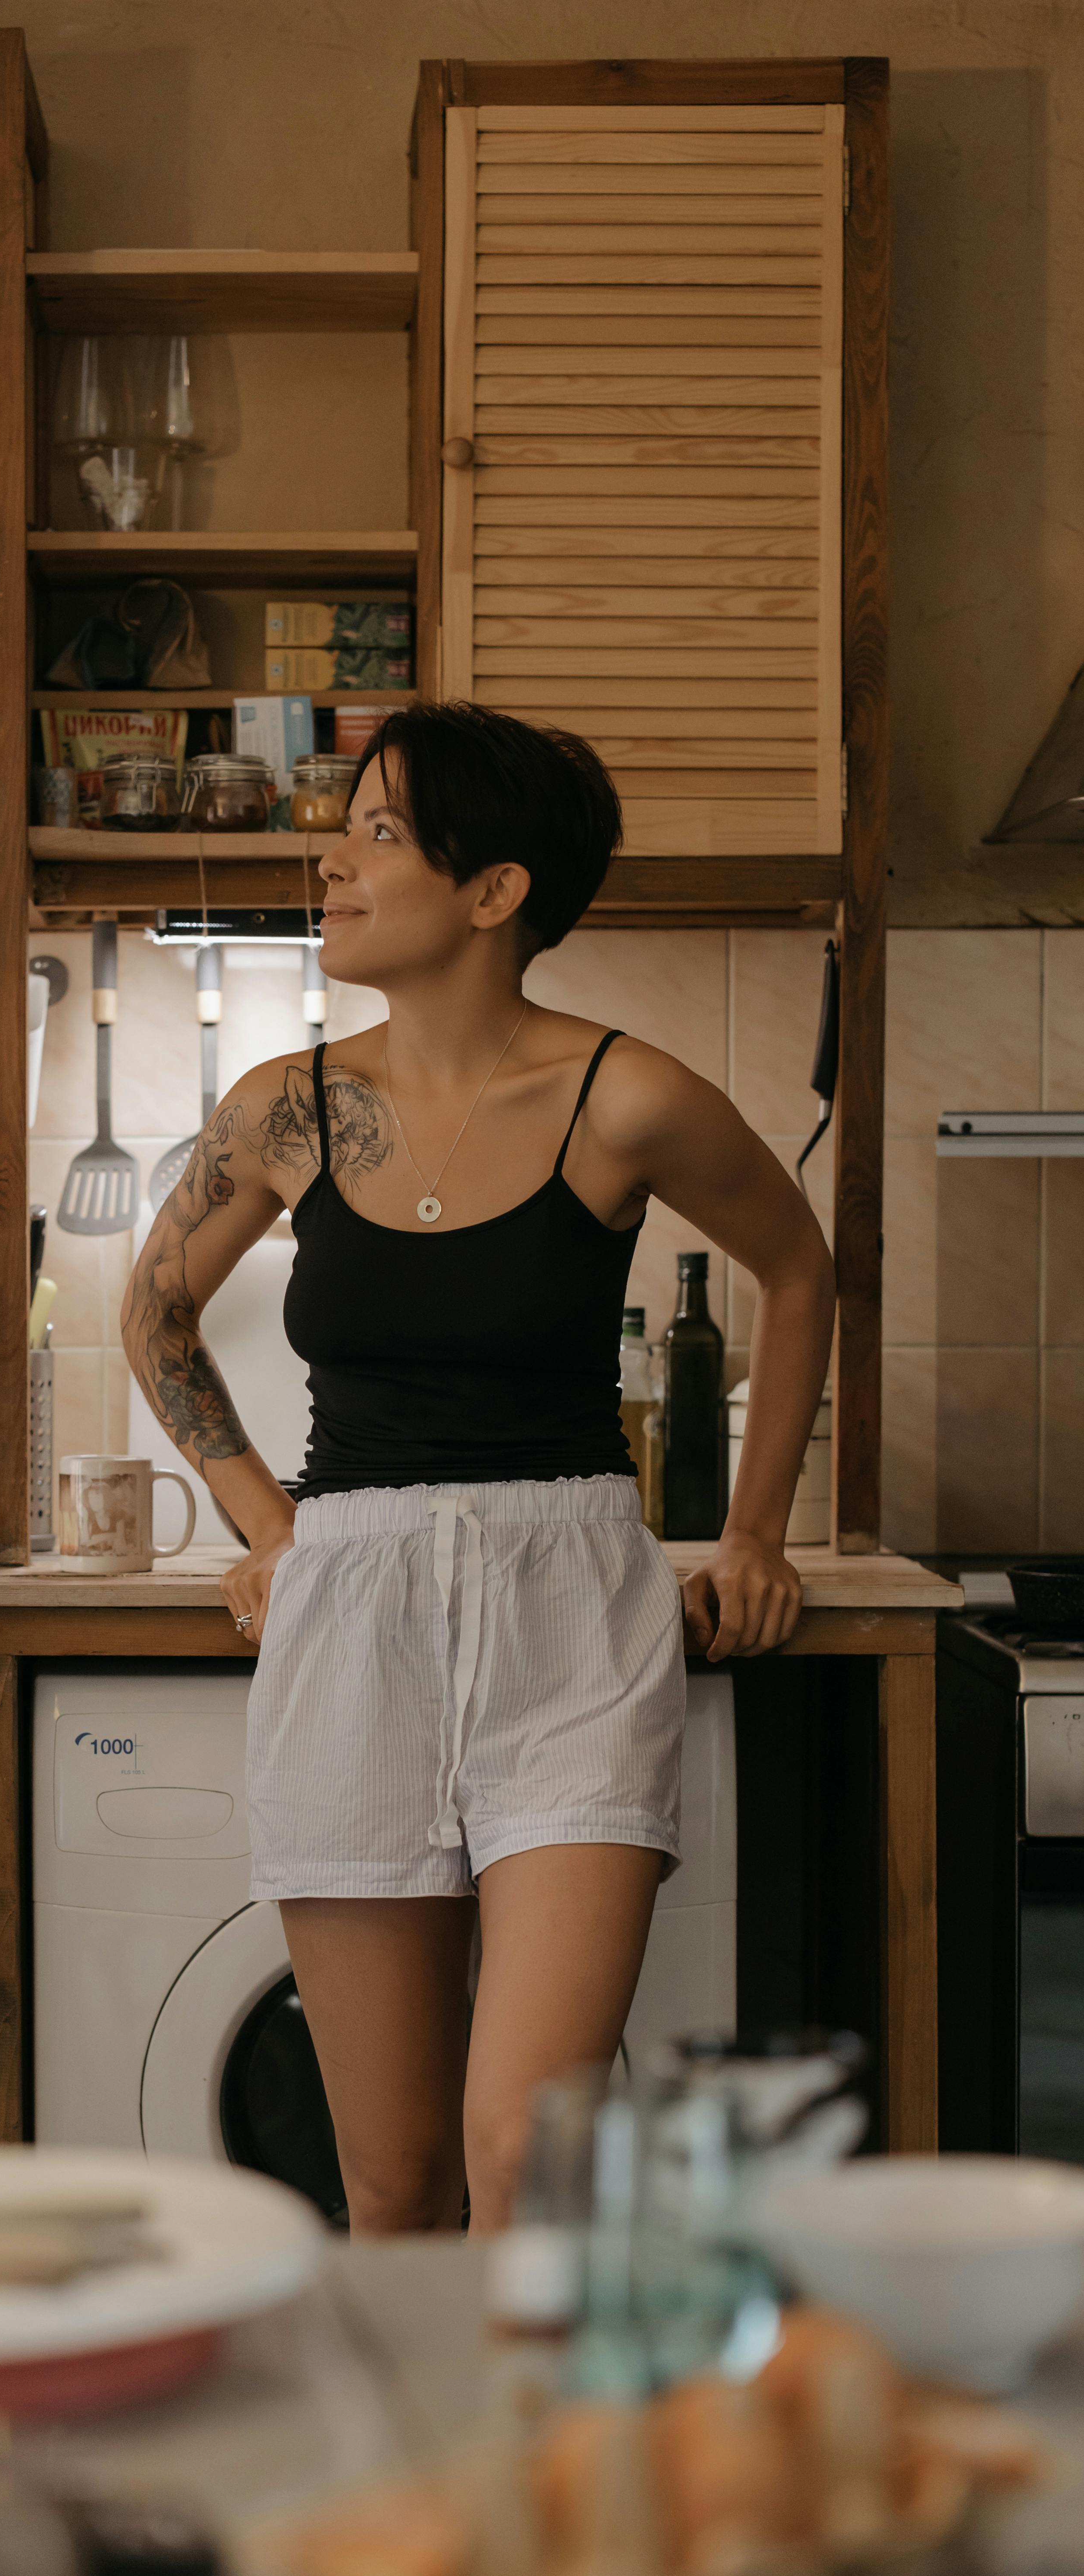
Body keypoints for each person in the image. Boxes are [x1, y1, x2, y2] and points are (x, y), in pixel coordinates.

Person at [123, 703, 834, 2236]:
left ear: (494, 891)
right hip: (353, 1608)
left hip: (571, 1612)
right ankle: (428, 2472)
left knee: (526, 2159)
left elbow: (797, 1267)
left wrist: (756, 1531)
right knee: (389, 2181)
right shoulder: (285, 1107)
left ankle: (537, 2474)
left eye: (378, 832)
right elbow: (155, 1304)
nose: (334, 860)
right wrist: (267, 1524)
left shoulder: (624, 1096)